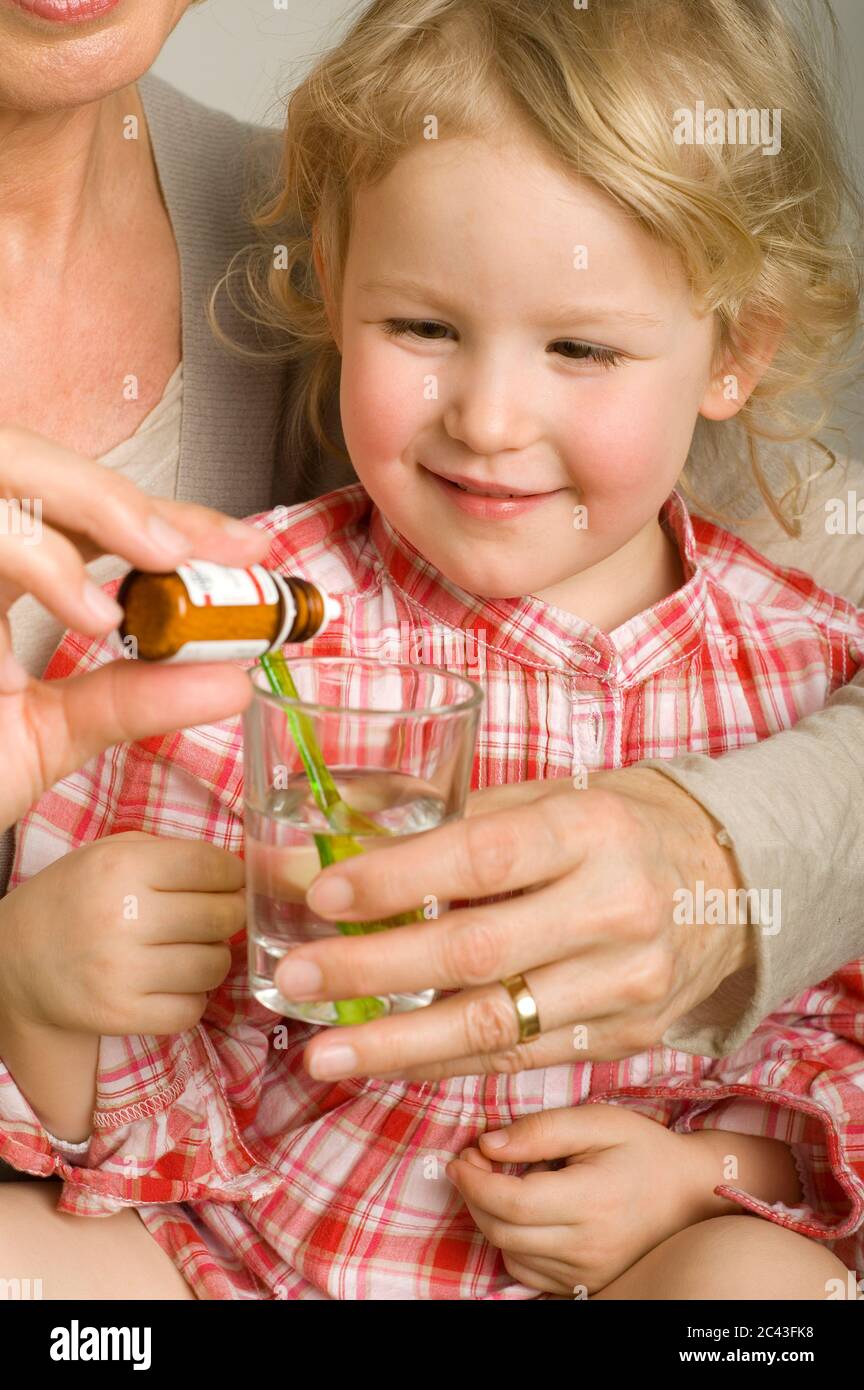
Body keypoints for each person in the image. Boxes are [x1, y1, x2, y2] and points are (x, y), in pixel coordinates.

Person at [1, 0, 861, 1300]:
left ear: (734, 352)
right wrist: (39, 994)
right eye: (424, 330)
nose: (491, 417)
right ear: (330, 286)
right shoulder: (221, 621)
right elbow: (105, 1129)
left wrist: (712, 1176)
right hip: (221, 1258)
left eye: (579, 347)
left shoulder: (797, 672)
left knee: (759, 1290)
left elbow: (833, 1033)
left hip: (610, 1277)